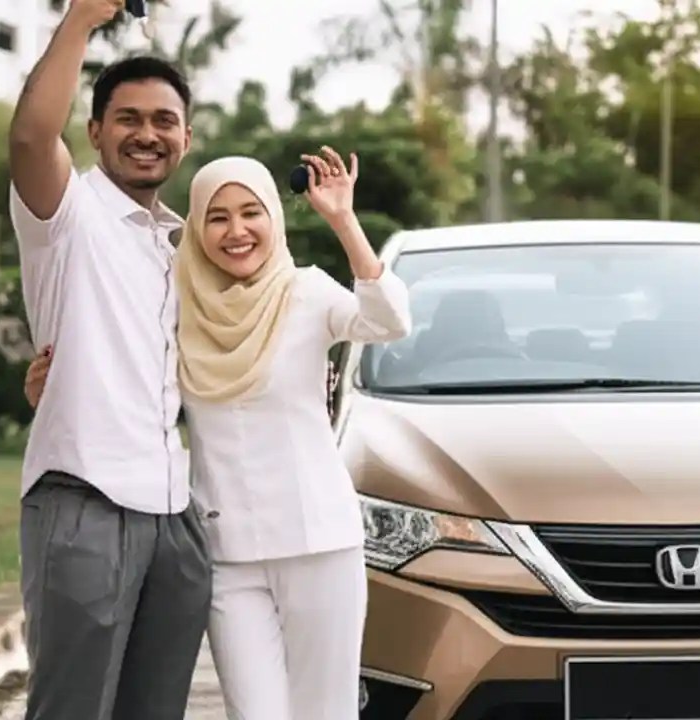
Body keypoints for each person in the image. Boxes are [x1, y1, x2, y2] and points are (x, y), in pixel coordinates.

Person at [24, 149, 412, 718]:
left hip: (320, 541)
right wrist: (52, 388)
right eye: (218, 216)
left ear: (273, 220)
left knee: (326, 711)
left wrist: (343, 220)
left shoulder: (305, 292)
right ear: (198, 227)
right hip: (227, 551)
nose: (236, 231)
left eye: (251, 213)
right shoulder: (180, 306)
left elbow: (388, 322)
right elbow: (124, 374)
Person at [7, 0, 209, 718]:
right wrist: (81, 22)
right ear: (94, 131)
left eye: (163, 121)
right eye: (127, 118)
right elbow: (32, 136)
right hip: (85, 501)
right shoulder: (66, 215)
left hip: (175, 517)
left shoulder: (187, 245)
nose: (145, 135)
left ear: (186, 138)